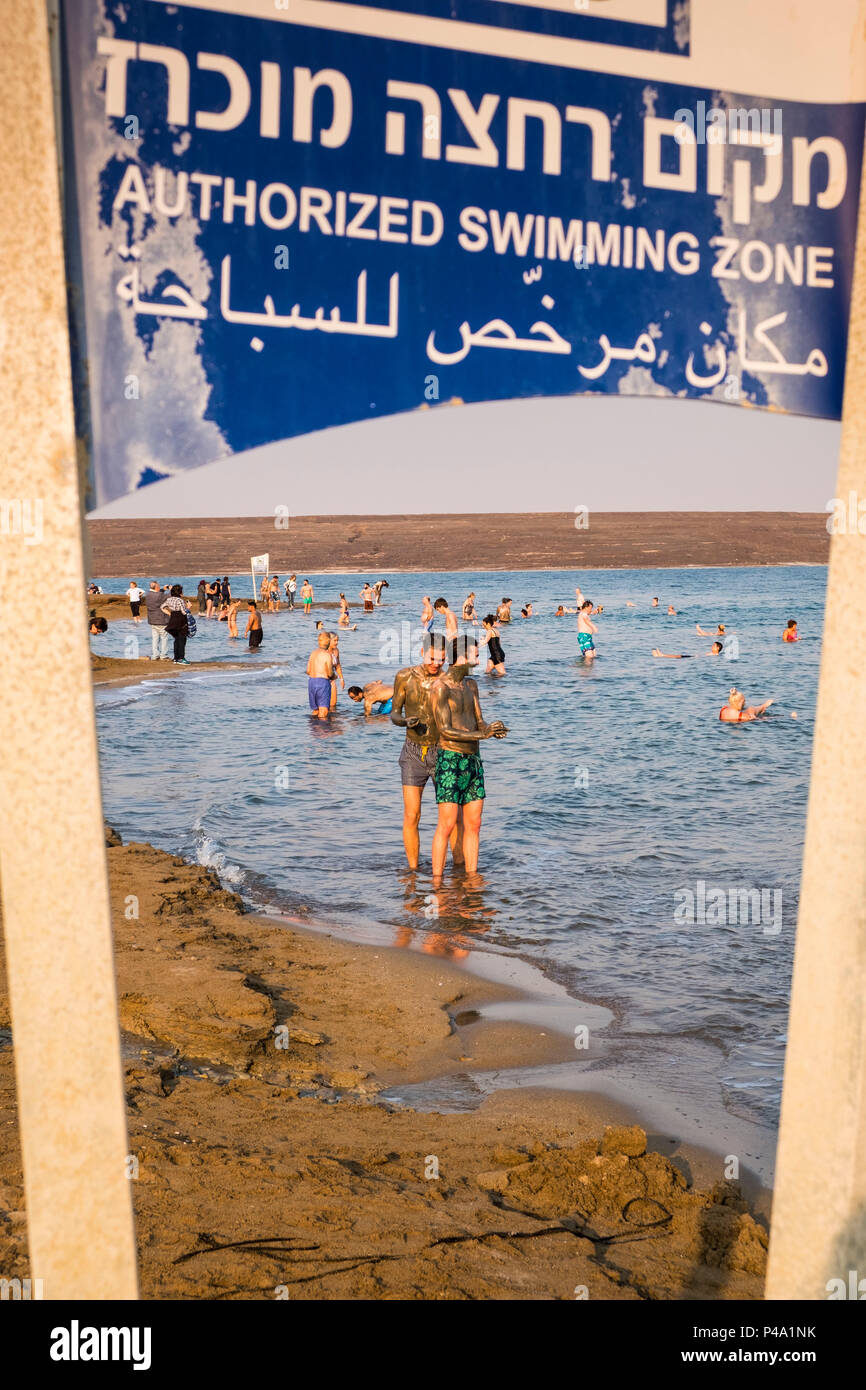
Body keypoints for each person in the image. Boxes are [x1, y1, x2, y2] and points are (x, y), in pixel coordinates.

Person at [430, 644, 507, 881]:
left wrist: (490, 729)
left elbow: (479, 720)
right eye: (474, 653)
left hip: (473, 759)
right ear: (461, 657)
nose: (478, 656)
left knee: (474, 824)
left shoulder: (471, 684)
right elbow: (444, 730)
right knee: (448, 824)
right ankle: (436, 882)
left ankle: (472, 879)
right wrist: (480, 735)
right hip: (450, 759)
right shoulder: (439, 687)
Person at [390, 639, 450, 870]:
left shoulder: (448, 681)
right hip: (413, 751)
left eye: (441, 659)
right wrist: (404, 721)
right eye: (432, 658)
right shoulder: (404, 677)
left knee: (448, 820)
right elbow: (395, 712)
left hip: (444, 751)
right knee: (411, 815)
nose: (436, 663)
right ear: (423, 652)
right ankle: (413, 870)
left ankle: (454, 873)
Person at [161, 584, 192, 664]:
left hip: (173, 619)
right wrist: (188, 607)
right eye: (182, 591)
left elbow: (162, 607)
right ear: (179, 592)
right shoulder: (180, 600)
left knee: (177, 639)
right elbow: (184, 612)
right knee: (182, 639)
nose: (183, 592)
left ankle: (176, 658)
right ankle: (181, 658)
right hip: (181, 620)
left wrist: (169, 613)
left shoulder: (169, 599)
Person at [307, 632, 334, 719]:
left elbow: (308, 671)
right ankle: (322, 731)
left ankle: (314, 730)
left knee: (315, 710)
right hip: (322, 682)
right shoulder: (327, 655)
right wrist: (334, 676)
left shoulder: (313, 653)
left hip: (311, 682)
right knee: (323, 710)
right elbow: (330, 673)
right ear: (329, 641)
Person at [145, 579, 171, 660]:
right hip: (161, 620)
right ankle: (163, 655)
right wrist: (171, 589)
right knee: (164, 637)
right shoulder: (159, 596)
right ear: (156, 587)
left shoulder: (148, 594)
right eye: (158, 586)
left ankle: (155, 655)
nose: (159, 587)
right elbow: (169, 596)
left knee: (155, 638)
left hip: (152, 620)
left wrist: (163, 589)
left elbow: (158, 594)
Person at [433, 597, 459, 662]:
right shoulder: (450, 615)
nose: (439, 612)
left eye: (438, 610)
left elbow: (455, 631)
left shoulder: (450, 615)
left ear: (442, 606)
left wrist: (445, 640)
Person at [328, 633, 345, 709]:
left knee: (333, 703)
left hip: (332, 680)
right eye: (334, 640)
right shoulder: (324, 651)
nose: (337, 642)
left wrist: (341, 678)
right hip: (322, 679)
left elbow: (337, 665)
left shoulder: (336, 651)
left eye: (337, 640)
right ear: (329, 641)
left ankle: (331, 720)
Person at [653, 642, 723, 658]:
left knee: (678, 656)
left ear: (717, 648)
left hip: (693, 657)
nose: (711, 646)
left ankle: (662, 655)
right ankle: (661, 655)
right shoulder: (714, 654)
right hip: (694, 656)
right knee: (679, 656)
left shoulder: (715, 655)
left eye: (713, 645)